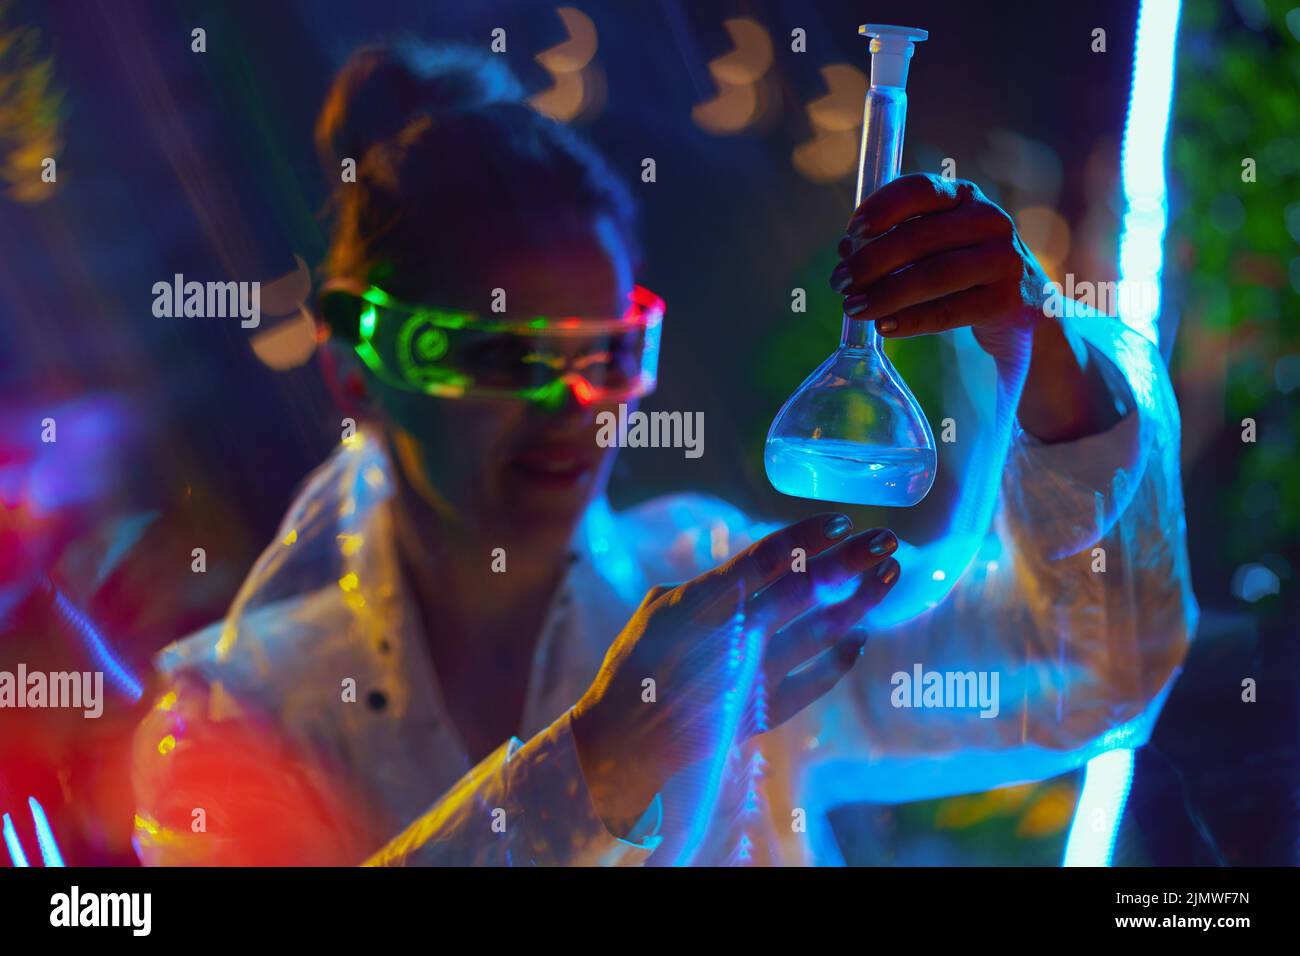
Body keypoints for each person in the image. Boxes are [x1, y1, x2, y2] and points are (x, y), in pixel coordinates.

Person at [131, 41, 1196, 866]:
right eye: (501, 353)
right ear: (353, 361)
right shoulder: (237, 710)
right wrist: (602, 758)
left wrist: (1044, 349)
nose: (569, 409)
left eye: (605, 354)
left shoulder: (716, 592)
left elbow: (1086, 668)